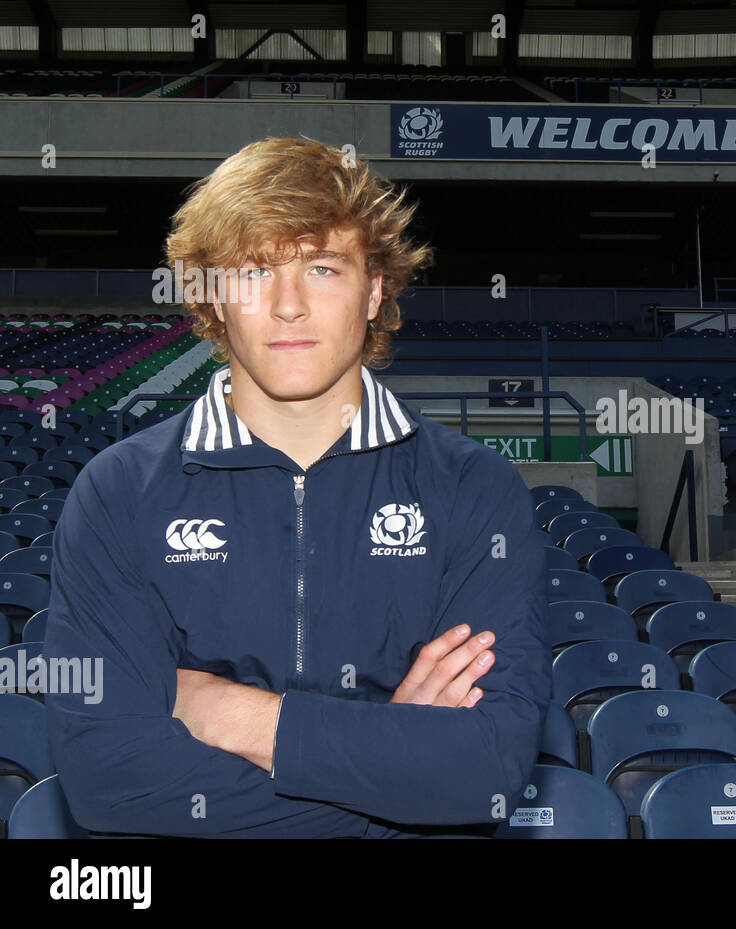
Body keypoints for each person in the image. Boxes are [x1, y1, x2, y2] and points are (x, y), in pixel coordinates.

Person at [43, 137, 551, 837]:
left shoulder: (474, 489)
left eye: (321, 267)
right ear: (214, 296)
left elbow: (485, 771)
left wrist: (232, 713)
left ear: (374, 290)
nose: (288, 305)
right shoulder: (118, 493)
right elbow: (109, 779)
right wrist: (394, 763)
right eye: (254, 272)